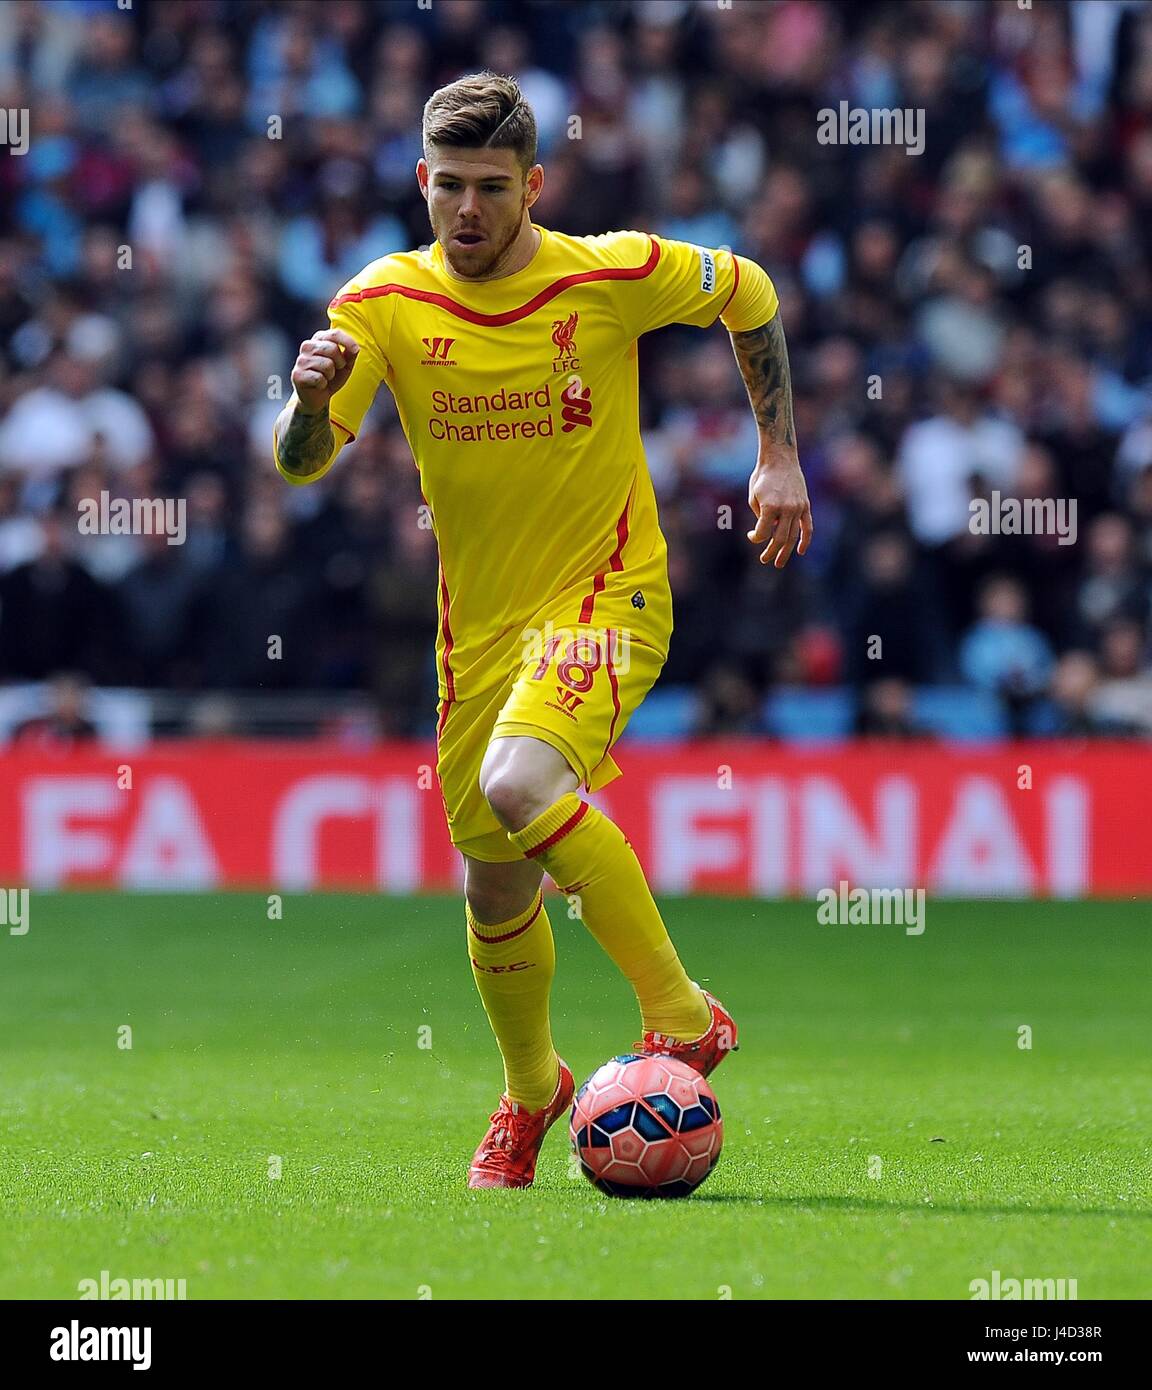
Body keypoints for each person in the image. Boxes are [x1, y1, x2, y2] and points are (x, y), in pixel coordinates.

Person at [272, 72, 813, 1188]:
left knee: (523, 786)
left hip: (609, 600)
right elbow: (305, 464)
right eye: (449, 188)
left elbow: (748, 290)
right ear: (423, 183)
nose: (467, 212)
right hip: (479, 640)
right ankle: (533, 1092)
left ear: (534, 186)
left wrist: (779, 453)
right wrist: (308, 406)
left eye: (491, 188)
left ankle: (684, 1014)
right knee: (495, 886)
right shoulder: (380, 305)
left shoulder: (606, 275)